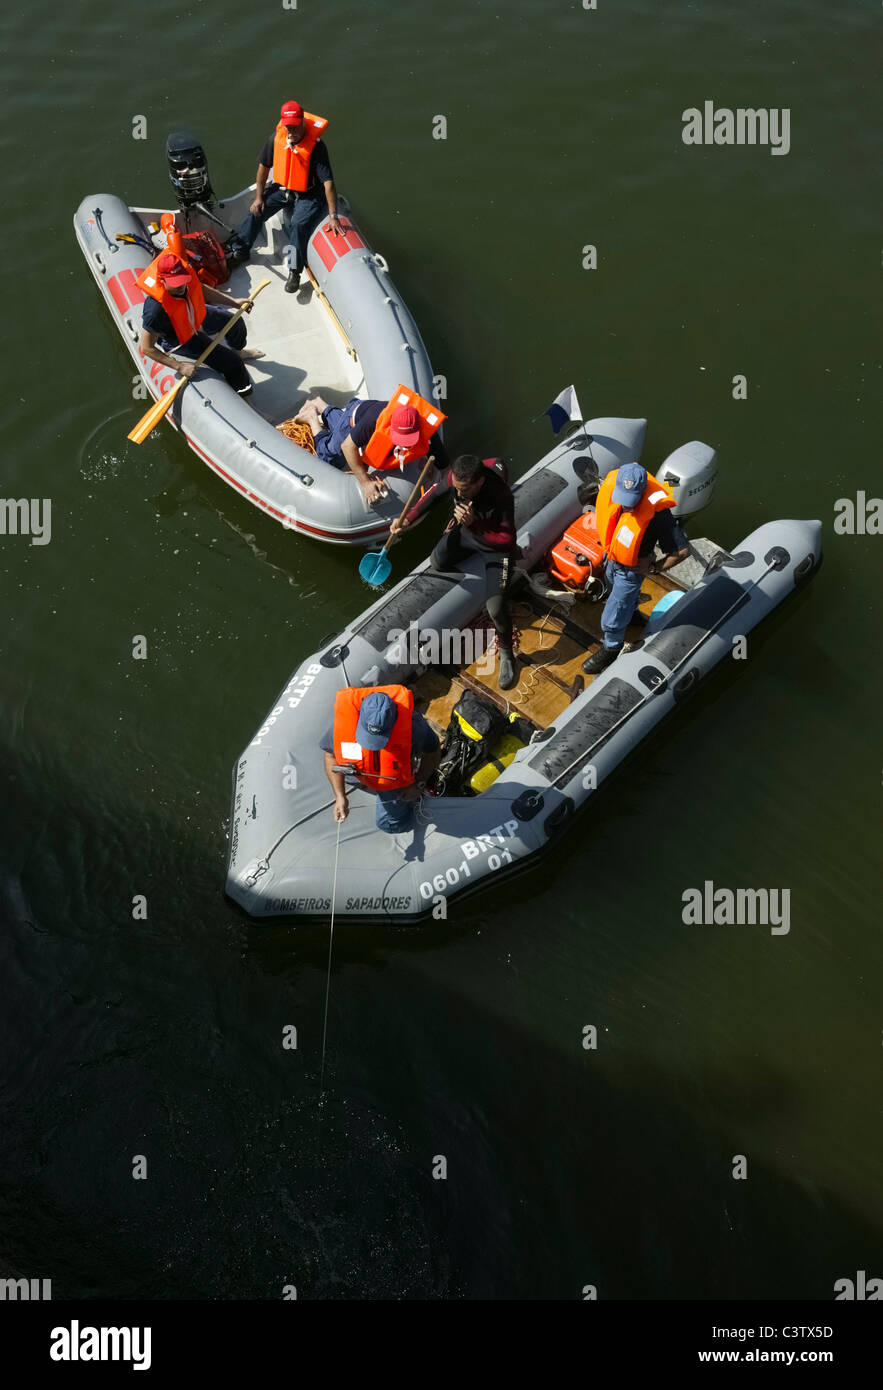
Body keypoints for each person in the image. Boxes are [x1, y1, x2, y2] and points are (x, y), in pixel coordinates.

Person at [392, 454, 519, 690]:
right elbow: (434, 491)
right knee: (437, 561)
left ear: (479, 483)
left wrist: (474, 524)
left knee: (496, 607)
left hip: (495, 548)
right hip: (467, 535)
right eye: (457, 488)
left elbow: (506, 539)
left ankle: (507, 652)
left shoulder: (500, 495)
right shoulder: (456, 478)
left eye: (464, 490)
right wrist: (408, 518)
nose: (459, 494)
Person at [582, 462, 688, 674]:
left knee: (613, 614)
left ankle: (612, 647)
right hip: (612, 558)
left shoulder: (659, 514)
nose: (626, 505)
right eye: (622, 499)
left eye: (631, 501)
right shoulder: (612, 487)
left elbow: (682, 552)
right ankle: (632, 615)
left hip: (632, 570)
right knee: (613, 591)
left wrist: (654, 568)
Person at [227, 100, 341, 293]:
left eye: (295, 126)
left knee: (298, 223)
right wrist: (259, 197)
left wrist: (333, 216)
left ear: (303, 122)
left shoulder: (317, 148)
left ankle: (295, 271)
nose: (292, 131)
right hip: (284, 188)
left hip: (310, 194)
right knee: (256, 210)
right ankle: (241, 250)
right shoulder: (276, 139)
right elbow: (263, 169)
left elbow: (328, 183)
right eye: (288, 126)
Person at [294, 389, 448, 506]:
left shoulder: (421, 422)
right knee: (328, 457)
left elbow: (441, 459)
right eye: (402, 439)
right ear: (390, 426)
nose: (406, 444)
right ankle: (312, 418)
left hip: (360, 410)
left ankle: (319, 403)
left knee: (344, 424)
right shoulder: (373, 422)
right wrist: (365, 482)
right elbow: (348, 446)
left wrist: (442, 470)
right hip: (352, 421)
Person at [137, 251, 260, 395]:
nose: (181, 285)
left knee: (236, 322)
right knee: (233, 364)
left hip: (193, 313)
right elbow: (146, 348)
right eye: (175, 283)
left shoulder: (185, 279)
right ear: (162, 280)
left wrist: (233, 302)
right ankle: (244, 392)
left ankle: (238, 350)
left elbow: (199, 288)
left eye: (183, 280)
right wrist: (179, 366)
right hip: (182, 337)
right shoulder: (155, 311)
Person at [321, 687, 440, 834]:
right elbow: (330, 756)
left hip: (393, 780)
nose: (373, 745)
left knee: (386, 823)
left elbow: (433, 750)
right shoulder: (342, 725)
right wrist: (340, 796)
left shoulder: (414, 727)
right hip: (360, 769)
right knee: (345, 773)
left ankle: (415, 811)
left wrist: (419, 783)